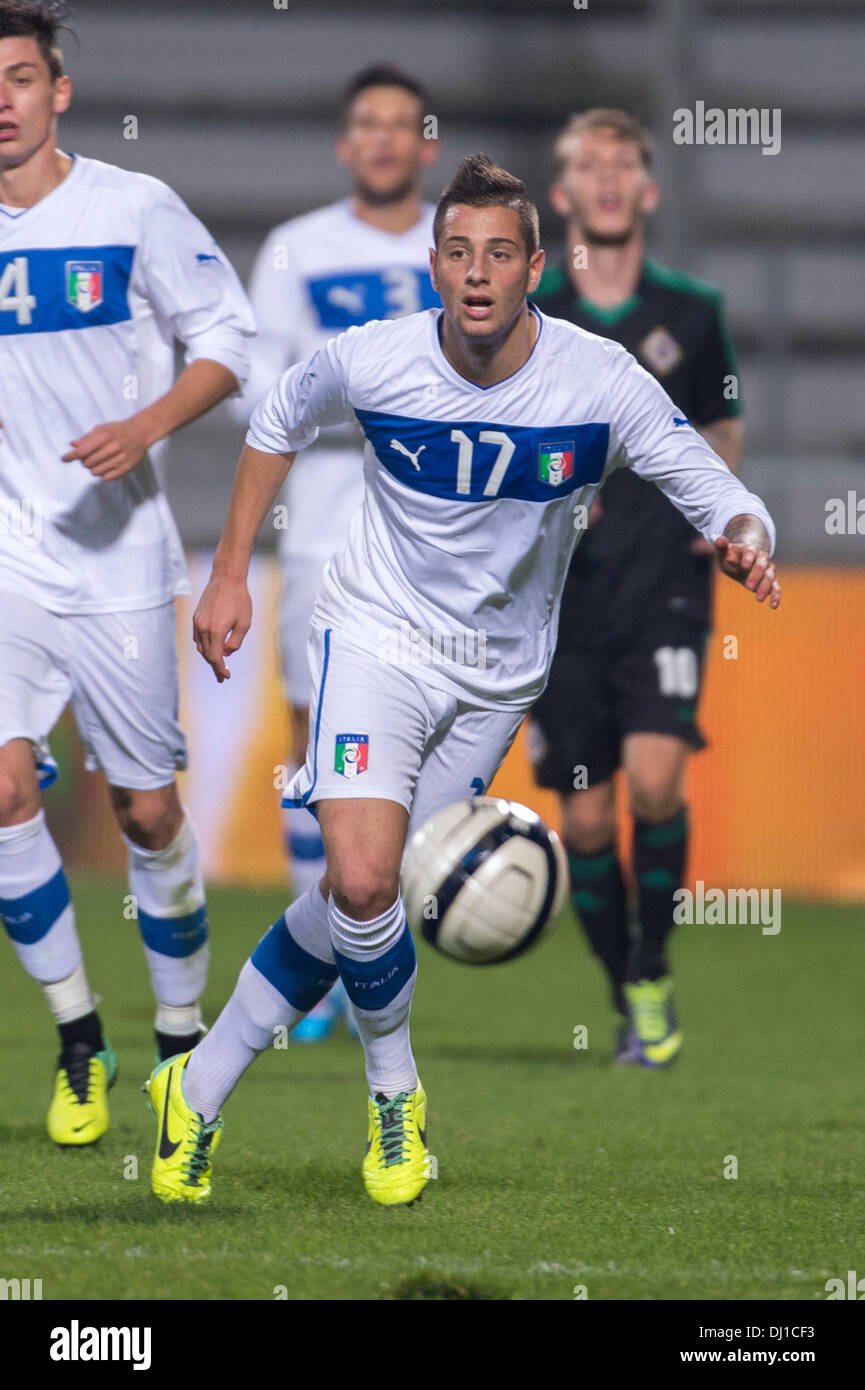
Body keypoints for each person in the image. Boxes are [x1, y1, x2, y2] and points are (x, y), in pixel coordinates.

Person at [146, 153, 779, 1209]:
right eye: (456, 252)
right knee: (360, 880)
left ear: (536, 265)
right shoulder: (376, 357)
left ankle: (196, 1085)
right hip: (376, 637)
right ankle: (396, 1096)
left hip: (496, 678)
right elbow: (273, 424)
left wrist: (742, 535)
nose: (476, 274)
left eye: (498, 254)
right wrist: (226, 575)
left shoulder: (599, 379)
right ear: (431, 266)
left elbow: (713, 485)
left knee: (362, 892)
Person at [0, 0, 253, 1144]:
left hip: (116, 561)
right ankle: (76, 1038)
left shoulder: (133, 210)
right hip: (7, 558)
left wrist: (145, 424)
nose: (1, 100)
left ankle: (180, 1035)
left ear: (59, 92)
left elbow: (229, 344)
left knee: (148, 814)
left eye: (19, 77)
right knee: (2, 790)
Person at [527, 110, 746, 1067]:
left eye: (624, 166)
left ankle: (652, 967)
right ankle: (625, 992)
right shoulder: (536, 313)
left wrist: (720, 515)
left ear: (646, 191)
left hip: (663, 587)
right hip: (556, 602)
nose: (607, 180)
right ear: (563, 193)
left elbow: (721, 432)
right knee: (581, 815)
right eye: (589, 166)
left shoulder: (692, 311)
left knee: (654, 784)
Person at [235, 63, 439, 1041]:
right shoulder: (296, 248)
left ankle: (374, 948)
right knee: (316, 735)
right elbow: (253, 390)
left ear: (424, 144)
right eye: (368, 124)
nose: (385, 140)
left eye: (402, 125)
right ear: (345, 143)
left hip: (442, 538)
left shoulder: (460, 247)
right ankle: (314, 961)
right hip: (318, 525)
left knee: (417, 746)